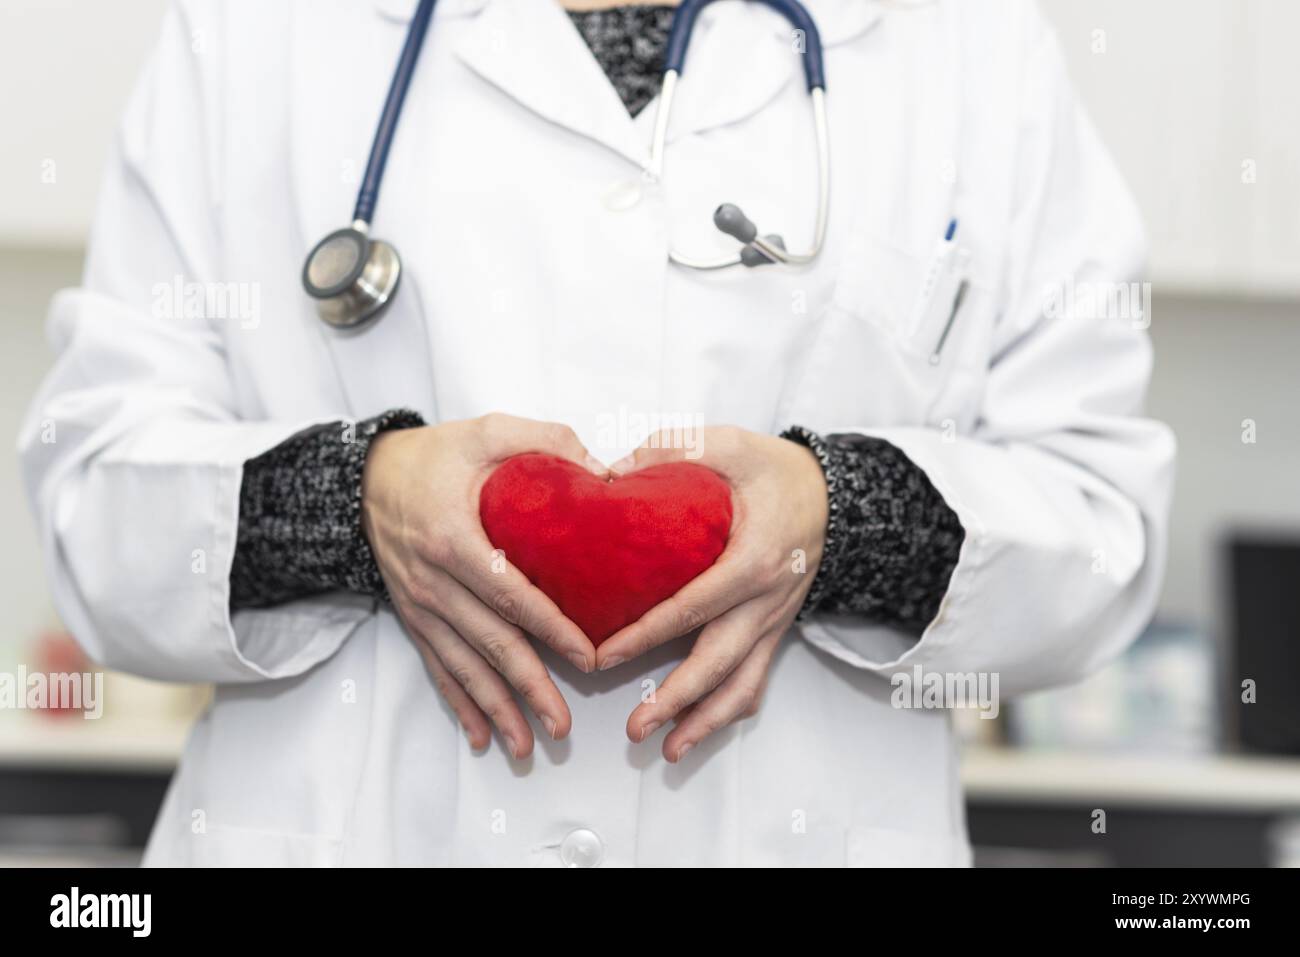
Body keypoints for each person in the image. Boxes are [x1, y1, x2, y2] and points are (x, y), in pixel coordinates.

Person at [19, 0, 1174, 866]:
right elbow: (97, 495)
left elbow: (1096, 518)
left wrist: (846, 518)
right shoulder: (259, 31)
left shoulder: (960, 42)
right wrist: (353, 501)